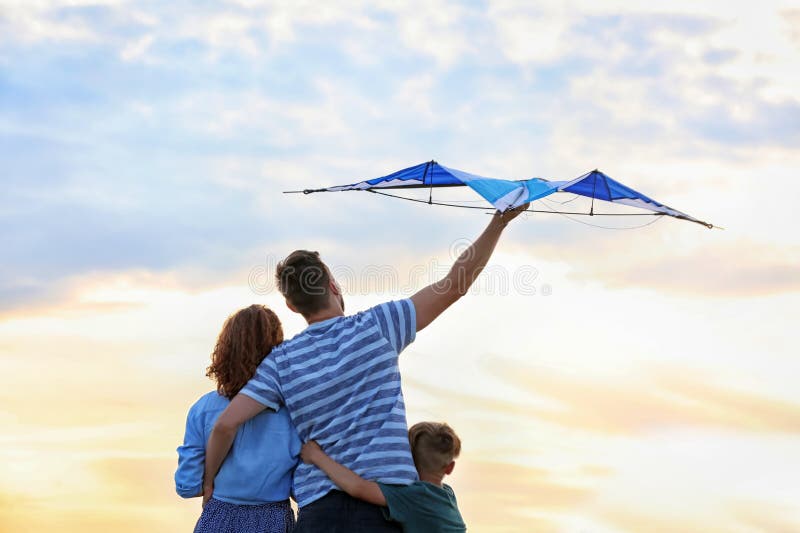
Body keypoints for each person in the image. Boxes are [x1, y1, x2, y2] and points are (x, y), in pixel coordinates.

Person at [203, 204, 529, 532]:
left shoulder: (281, 363)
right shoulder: (378, 326)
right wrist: (499, 222)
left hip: (319, 515)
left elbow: (225, 426)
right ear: (333, 286)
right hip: (383, 511)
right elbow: (455, 284)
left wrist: (208, 485)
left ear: (291, 305)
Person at [175, 304, 300, 533]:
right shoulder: (292, 413)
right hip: (274, 520)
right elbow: (300, 488)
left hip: (218, 517)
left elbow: (187, 485)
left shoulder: (203, 410)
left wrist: (209, 481)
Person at [300, 422, 466, 532]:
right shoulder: (447, 495)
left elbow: (358, 487)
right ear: (449, 468)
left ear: (406, 457)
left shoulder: (411, 496)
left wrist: (316, 455)